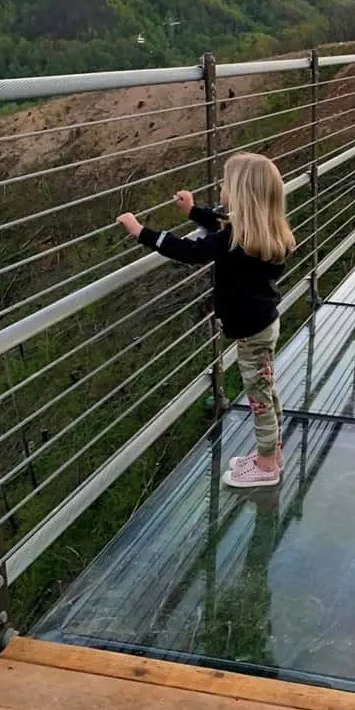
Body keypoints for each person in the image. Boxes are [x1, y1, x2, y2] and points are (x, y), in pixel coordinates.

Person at [116, 153, 295, 489]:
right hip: (262, 325)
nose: (222, 190)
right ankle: (273, 451)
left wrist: (141, 231)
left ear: (241, 194)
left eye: (226, 184)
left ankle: (267, 463)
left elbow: (192, 251)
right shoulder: (259, 232)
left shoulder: (235, 240)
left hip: (251, 332)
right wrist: (192, 211)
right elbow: (219, 227)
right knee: (265, 388)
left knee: (258, 394)